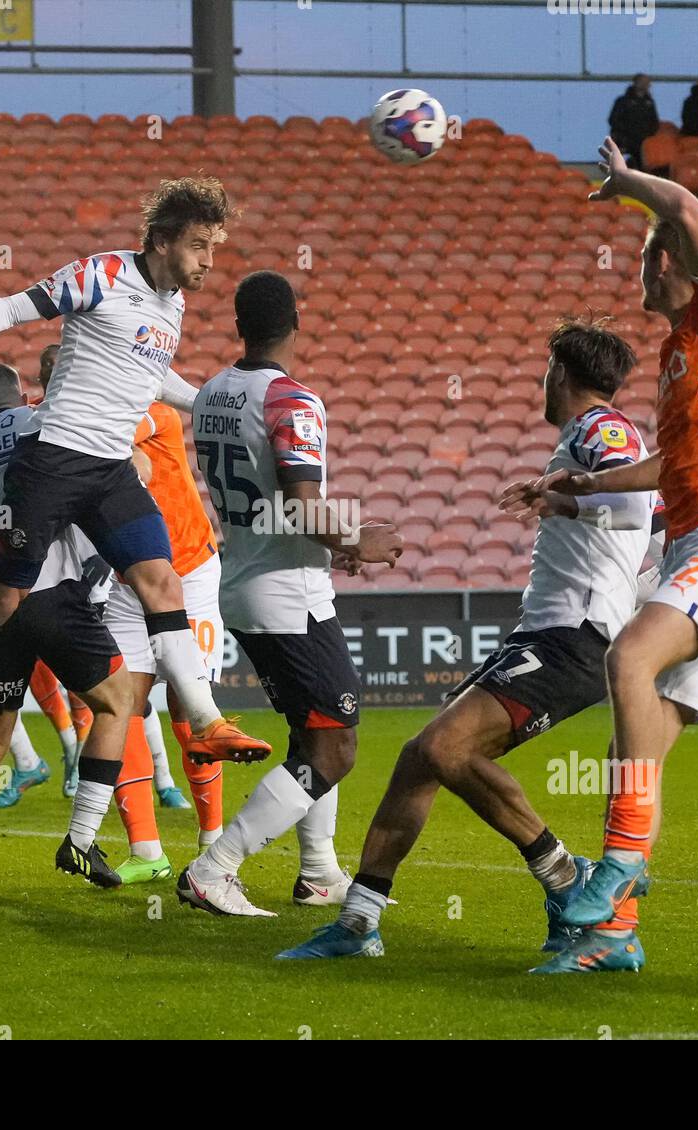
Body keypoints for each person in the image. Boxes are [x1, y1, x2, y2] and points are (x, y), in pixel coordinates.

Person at [276, 315, 663, 962]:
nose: (543, 381)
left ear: (560, 373)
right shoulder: (583, 436)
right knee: (418, 757)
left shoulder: (605, 427)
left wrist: (566, 502)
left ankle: (569, 880)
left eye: (546, 370)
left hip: (572, 639)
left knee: (445, 748)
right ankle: (358, 921)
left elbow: (633, 507)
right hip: (548, 633)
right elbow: (645, 533)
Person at [515, 136, 698, 974]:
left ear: (672, 259)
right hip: (695, 546)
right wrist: (574, 490)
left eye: (646, 255)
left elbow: (683, 209)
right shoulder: (683, 356)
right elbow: (670, 468)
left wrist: (630, 183)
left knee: (628, 659)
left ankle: (624, 863)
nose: (639, 268)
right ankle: (615, 934)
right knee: (638, 747)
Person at [0, 176, 271, 820]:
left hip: (109, 470)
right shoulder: (102, 273)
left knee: (162, 582)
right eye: (199, 247)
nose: (208, 263)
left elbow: (151, 374)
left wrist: (213, 404)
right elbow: (21, 304)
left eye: (214, 250)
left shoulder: (172, 307)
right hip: (53, 460)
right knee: (1, 601)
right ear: (163, 241)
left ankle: (207, 718)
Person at [175, 270, 403, 917]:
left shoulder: (215, 391)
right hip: (287, 593)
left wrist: (337, 547)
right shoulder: (292, 400)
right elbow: (303, 507)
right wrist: (360, 537)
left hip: (246, 576)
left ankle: (319, 872)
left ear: (240, 324)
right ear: (295, 324)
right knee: (338, 744)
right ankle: (214, 869)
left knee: (312, 732)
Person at [0, 362, 133, 894]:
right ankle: (82, 839)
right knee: (118, 703)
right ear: (21, 395)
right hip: (48, 590)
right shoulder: (38, 422)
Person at [103, 398, 232, 884]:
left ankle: (213, 843)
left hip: (189, 574)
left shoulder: (154, 410)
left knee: (188, 706)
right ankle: (146, 851)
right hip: (129, 576)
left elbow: (125, 446)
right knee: (119, 705)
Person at [609, 74, 659, 171]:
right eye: (643, 82)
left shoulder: (649, 103)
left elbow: (654, 121)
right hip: (626, 141)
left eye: (648, 83)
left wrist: (649, 133)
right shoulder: (622, 101)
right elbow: (614, 120)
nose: (647, 85)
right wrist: (626, 133)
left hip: (643, 141)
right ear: (636, 83)